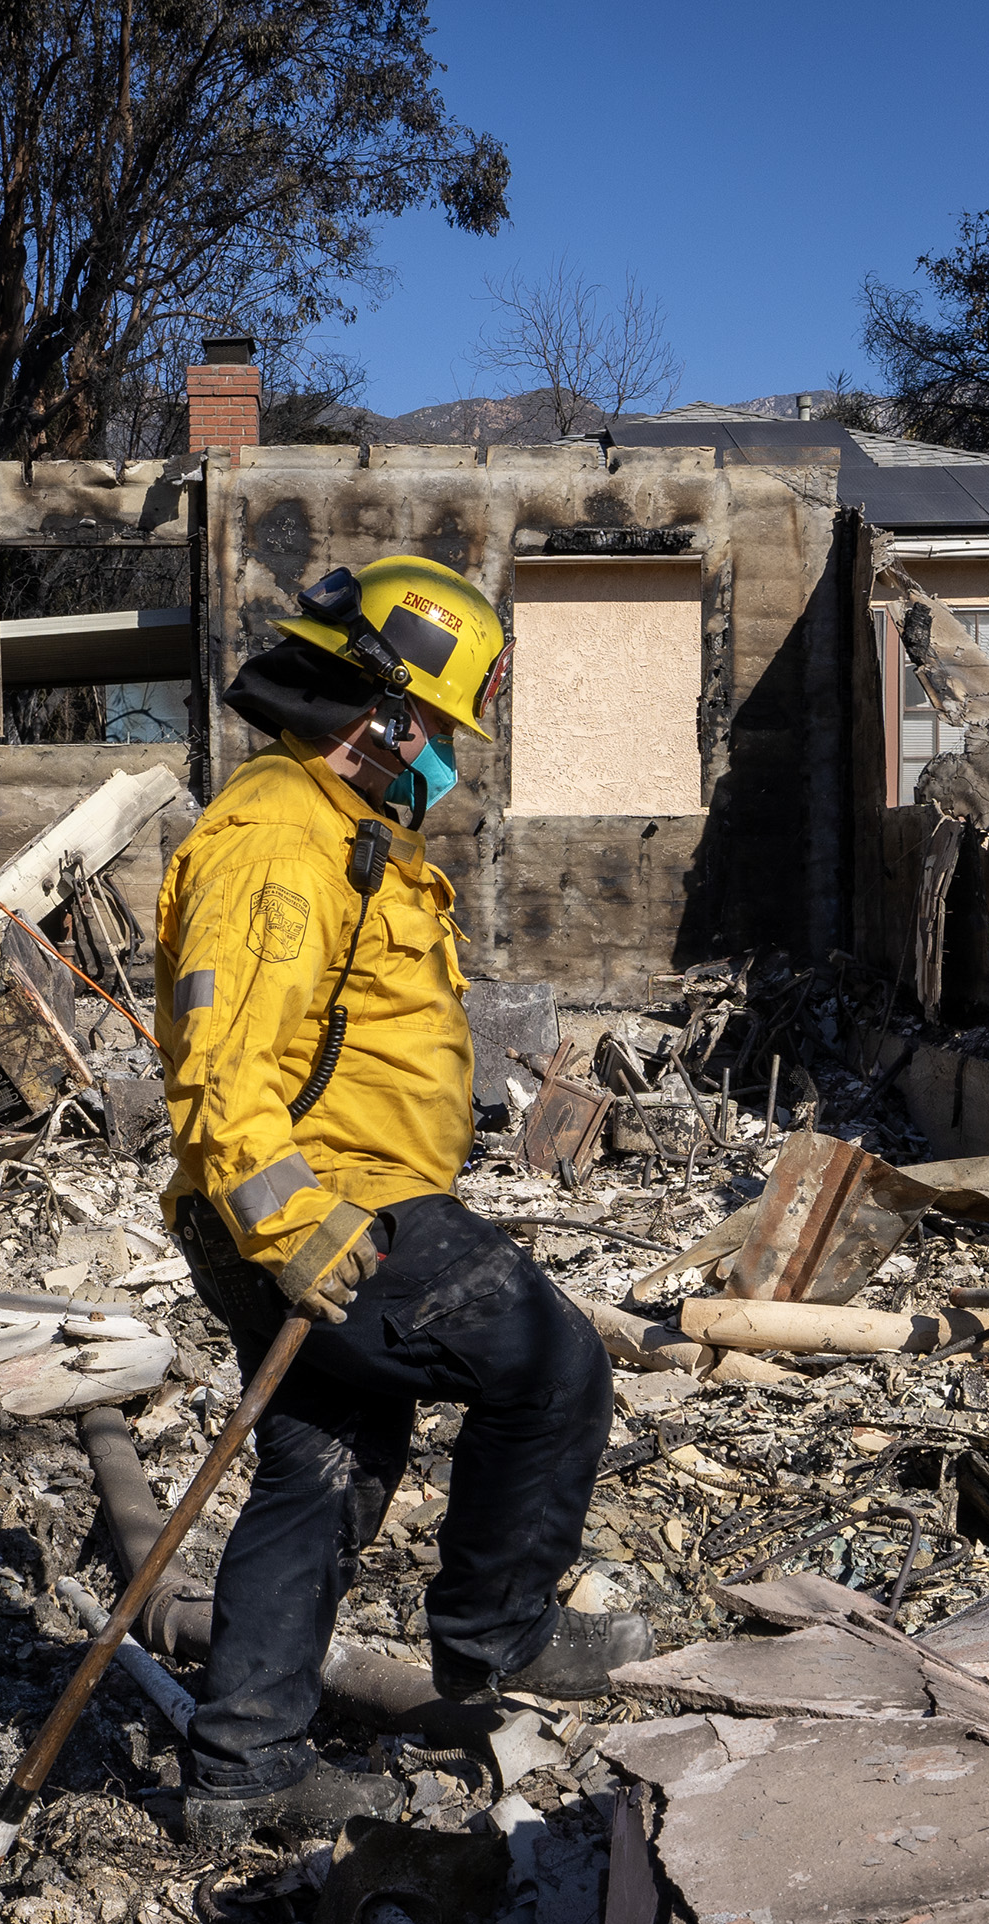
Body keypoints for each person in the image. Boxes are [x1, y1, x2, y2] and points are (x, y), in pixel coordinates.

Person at [153, 555, 649, 1843]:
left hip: (321, 1203)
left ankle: (239, 1771)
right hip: (325, 1210)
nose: (441, 754)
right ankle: (503, 1637)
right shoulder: (279, 839)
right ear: (371, 705)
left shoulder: (341, 832)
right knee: (551, 1364)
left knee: (323, 1468)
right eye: (429, 724)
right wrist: (298, 1228)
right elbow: (221, 1066)